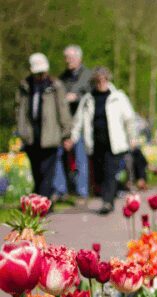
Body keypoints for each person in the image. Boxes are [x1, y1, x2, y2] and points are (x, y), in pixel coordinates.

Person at [67, 67, 136, 214]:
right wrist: (72, 137)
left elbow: (129, 119)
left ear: (108, 80)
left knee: (110, 172)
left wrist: (132, 137)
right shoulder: (88, 99)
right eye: (98, 81)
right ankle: (109, 195)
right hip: (95, 143)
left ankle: (108, 202)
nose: (101, 83)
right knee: (99, 175)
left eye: (104, 80)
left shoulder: (118, 97)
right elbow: (78, 121)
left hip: (114, 143)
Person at [15, 53, 72, 200]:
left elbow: (63, 109)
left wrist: (66, 134)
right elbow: (19, 110)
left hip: (50, 135)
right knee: (36, 171)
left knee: (48, 172)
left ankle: (42, 203)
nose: (40, 75)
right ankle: (44, 200)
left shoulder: (55, 86)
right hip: (31, 135)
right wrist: (22, 132)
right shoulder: (25, 86)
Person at [54, 45, 92, 204]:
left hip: (81, 124)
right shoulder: (61, 78)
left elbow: (91, 97)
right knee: (57, 155)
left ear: (79, 58)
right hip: (63, 125)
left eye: (70, 57)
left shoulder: (89, 76)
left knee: (81, 157)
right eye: (66, 57)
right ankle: (59, 190)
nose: (67, 60)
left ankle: (82, 193)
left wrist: (75, 97)